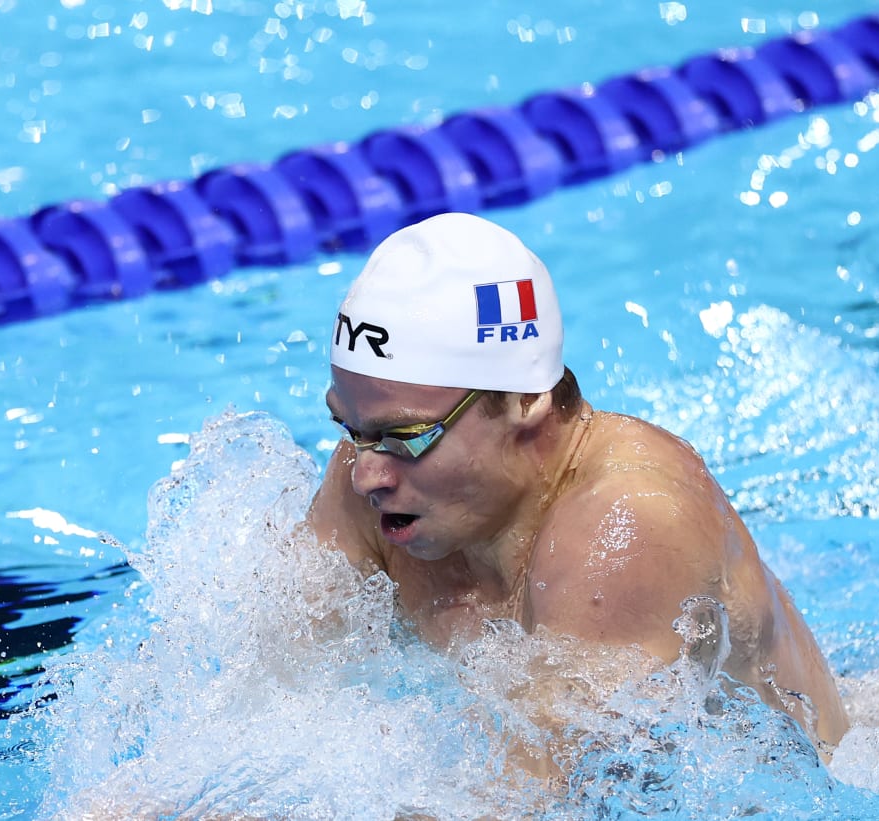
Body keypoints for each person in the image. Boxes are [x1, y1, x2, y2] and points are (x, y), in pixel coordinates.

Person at [305, 212, 849, 755]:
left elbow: (535, 797)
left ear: (524, 401)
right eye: (352, 429)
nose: (365, 475)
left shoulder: (631, 521)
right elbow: (269, 680)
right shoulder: (377, 474)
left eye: (406, 435)